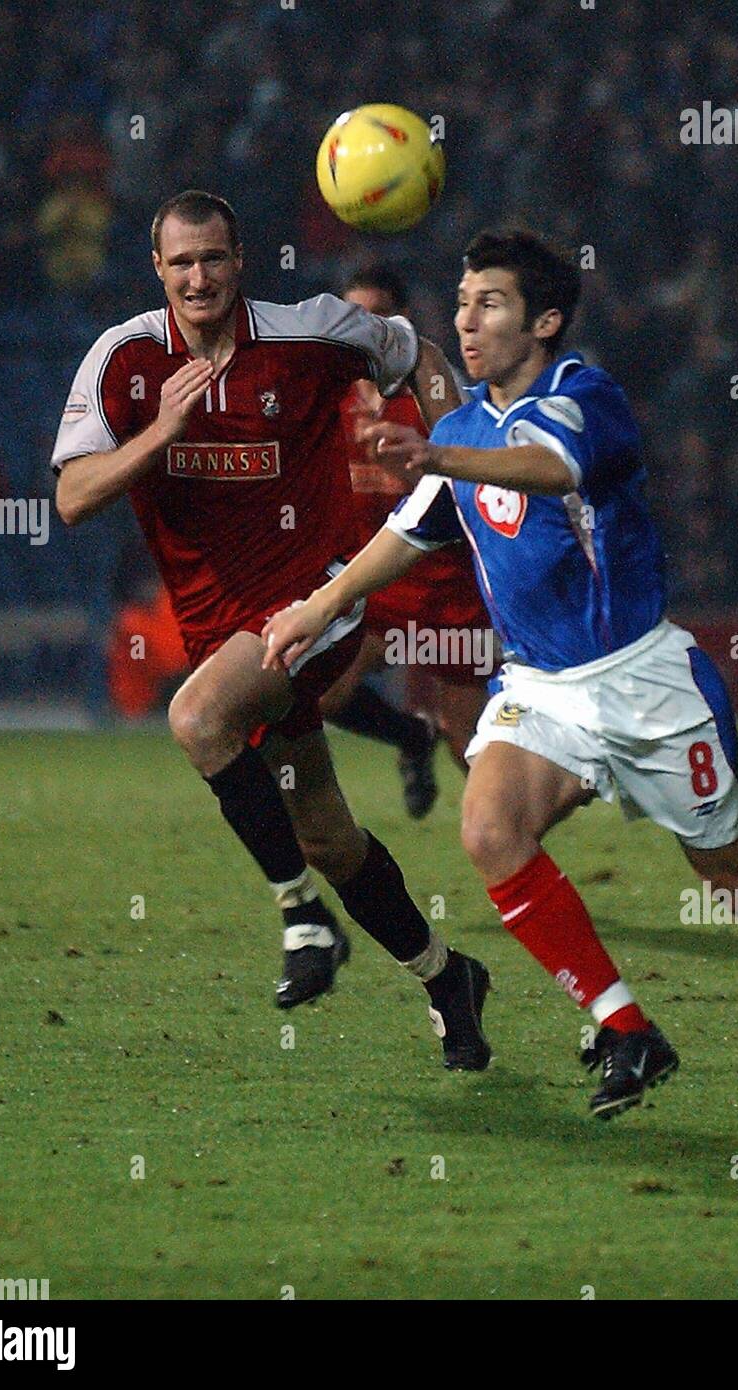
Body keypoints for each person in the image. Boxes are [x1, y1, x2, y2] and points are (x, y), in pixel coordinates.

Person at [264, 227, 738, 1118]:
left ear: (545, 320)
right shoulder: (460, 427)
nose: (467, 321)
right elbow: (406, 534)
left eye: (491, 303)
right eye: (462, 301)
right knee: (487, 828)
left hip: (645, 682)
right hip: (542, 689)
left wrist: (439, 456)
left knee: (737, 883)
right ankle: (625, 1028)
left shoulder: (584, 397)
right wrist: (315, 608)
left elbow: (548, 468)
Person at [51, 189, 490, 1067]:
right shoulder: (123, 360)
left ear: (239, 258)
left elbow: (420, 352)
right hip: (219, 624)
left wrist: (460, 461)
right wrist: (161, 432)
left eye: (213, 257)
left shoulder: (311, 332)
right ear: (157, 269)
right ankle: (446, 975)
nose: (198, 276)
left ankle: (301, 921)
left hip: (318, 590)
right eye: (181, 263)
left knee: (195, 718)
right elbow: (71, 498)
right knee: (328, 833)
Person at [321, 264, 492, 817]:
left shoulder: (433, 386)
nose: (361, 328)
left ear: (400, 323)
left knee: (468, 743)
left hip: (449, 584)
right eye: (351, 316)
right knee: (325, 694)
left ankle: (517, 849)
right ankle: (411, 738)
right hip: (378, 581)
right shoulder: (327, 397)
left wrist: (420, 466)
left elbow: (474, 487)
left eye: (375, 316)